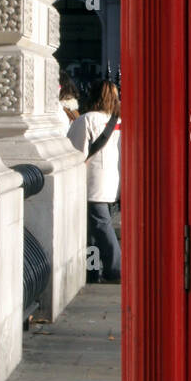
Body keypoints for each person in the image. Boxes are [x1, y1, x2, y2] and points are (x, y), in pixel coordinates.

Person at [68, 80, 122, 285]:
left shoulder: (86, 120)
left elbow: (75, 153)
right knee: (91, 232)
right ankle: (91, 271)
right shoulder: (118, 121)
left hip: (92, 183)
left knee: (101, 227)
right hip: (112, 182)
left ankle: (115, 268)